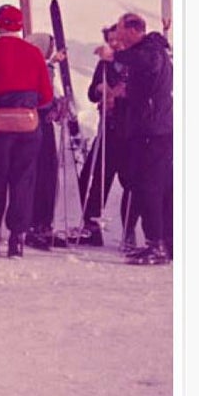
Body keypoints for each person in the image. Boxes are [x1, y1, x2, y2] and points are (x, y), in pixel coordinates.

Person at [0, 4, 54, 257]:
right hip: (28, 126)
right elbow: (46, 94)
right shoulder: (34, 53)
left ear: (0, 24)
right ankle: (17, 238)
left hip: (0, 125)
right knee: (23, 180)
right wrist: (27, 107)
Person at [115, 13, 173, 265]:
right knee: (150, 187)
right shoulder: (151, 51)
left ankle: (158, 244)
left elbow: (146, 62)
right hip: (151, 130)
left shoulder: (151, 50)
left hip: (154, 132)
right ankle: (162, 241)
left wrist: (114, 56)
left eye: (119, 30)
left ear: (132, 30)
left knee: (151, 188)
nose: (117, 36)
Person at [71, 25, 135, 249]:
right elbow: (91, 93)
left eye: (116, 40)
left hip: (130, 134)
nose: (113, 44)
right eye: (110, 41)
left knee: (130, 183)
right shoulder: (105, 63)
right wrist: (99, 89)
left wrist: (120, 95)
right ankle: (91, 227)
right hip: (107, 130)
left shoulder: (136, 62)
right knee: (92, 178)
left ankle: (129, 232)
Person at [25, 32, 66, 251]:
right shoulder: (31, 68)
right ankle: (33, 225)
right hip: (34, 125)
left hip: (43, 125)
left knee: (49, 175)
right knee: (39, 175)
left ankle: (44, 224)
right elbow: (38, 97)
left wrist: (56, 105)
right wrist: (51, 106)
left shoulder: (45, 67)